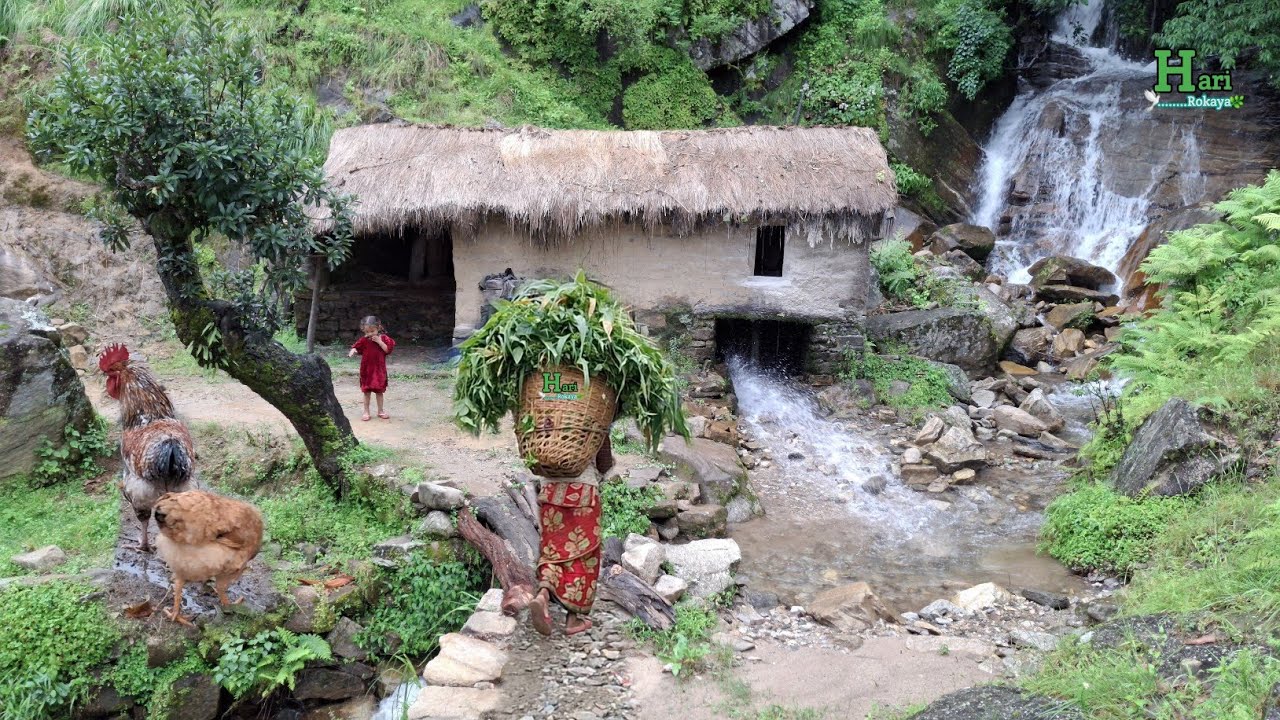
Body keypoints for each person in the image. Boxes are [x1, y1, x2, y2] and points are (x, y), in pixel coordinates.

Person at [527, 432, 614, 637]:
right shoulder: (592, 414)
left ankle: (543, 594)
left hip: (550, 489)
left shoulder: (545, 410)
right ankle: (573, 619)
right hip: (583, 491)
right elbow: (604, 462)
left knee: (553, 551)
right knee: (584, 557)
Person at [347, 315, 396, 421]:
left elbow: (387, 350)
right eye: (367, 332)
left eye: (372, 331)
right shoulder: (364, 340)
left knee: (379, 391)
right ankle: (366, 411)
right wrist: (353, 350)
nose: (369, 334)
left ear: (379, 328)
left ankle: (380, 411)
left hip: (379, 370)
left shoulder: (384, 339)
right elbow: (356, 346)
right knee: (366, 392)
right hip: (366, 370)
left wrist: (379, 341)